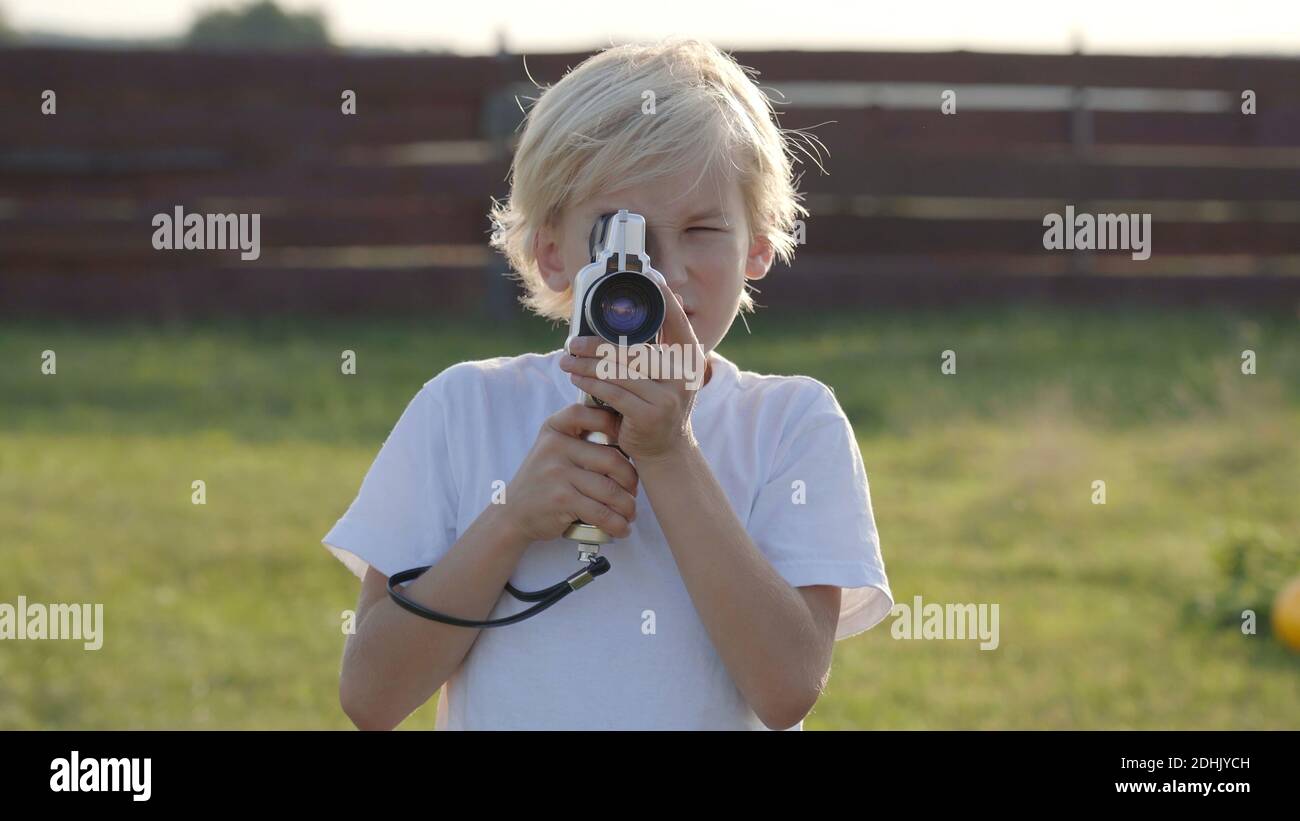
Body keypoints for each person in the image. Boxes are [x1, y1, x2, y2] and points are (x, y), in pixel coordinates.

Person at [322, 36, 892, 730]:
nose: (665, 271)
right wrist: (511, 521)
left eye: (704, 228)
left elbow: (787, 685)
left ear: (761, 244)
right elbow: (372, 695)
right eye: (624, 238)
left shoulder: (791, 424)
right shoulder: (463, 410)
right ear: (552, 251)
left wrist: (670, 451)